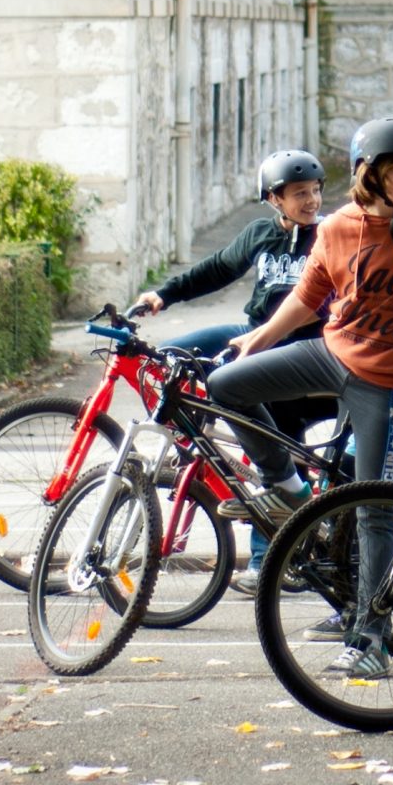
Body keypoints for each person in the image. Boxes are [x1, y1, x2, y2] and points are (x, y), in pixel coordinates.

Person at [208, 117, 393, 679]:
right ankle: (286, 487)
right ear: (369, 175)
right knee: (224, 384)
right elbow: (308, 296)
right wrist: (259, 338)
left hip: (391, 384)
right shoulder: (339, 227)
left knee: (377, 512)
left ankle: (370, 638)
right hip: (332, 355)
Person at [132, 148, 331, 596]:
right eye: (300, 193)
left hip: (299, 350)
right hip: (252, 333)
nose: (311, 200)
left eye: (315, 191)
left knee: (272, 452)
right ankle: (185, 437)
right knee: (170, 356)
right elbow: (218, 268)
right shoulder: (261, 233)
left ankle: (267, 563)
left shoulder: (329, 237)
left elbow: (322, 305)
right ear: (273, 199)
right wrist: (164, 295)